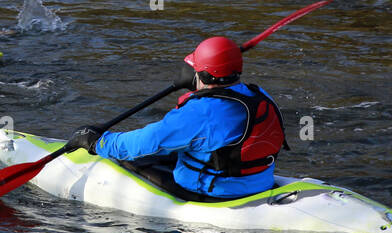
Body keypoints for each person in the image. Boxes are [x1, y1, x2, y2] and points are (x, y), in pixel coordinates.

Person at [70, 35, 288, 200]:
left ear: (201, 74)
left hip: (219, 191)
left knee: (132, 155)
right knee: (181, 149)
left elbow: (145, 142)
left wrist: (98, 142)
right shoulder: (259, 95)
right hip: (259, 182)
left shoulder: (200, 113)